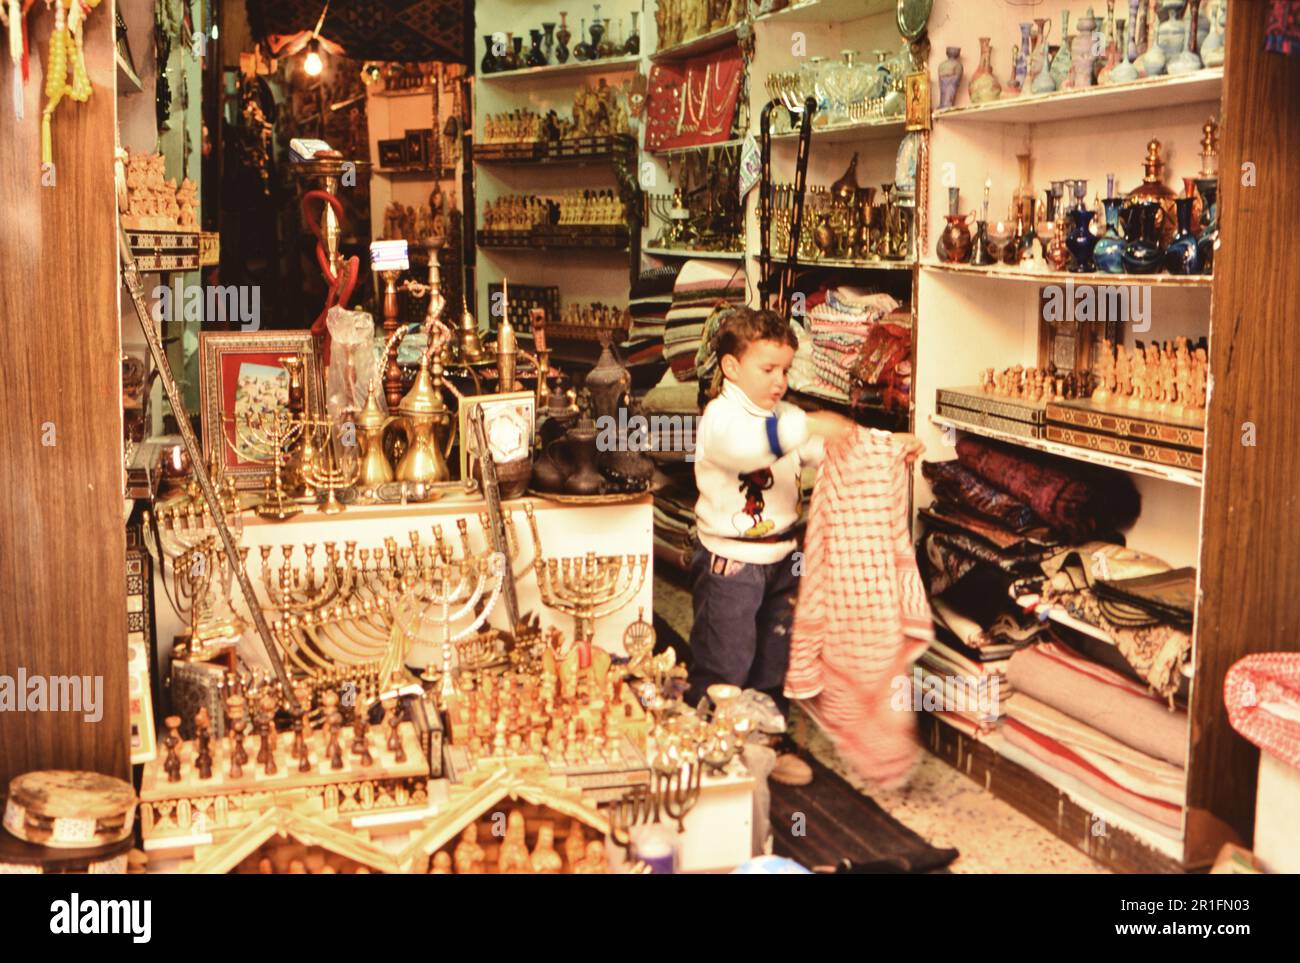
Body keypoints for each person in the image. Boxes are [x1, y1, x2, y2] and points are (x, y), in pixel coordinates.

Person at [687, 307, 920, 786]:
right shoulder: (720, 419)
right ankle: (711, 746)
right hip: (731, 563)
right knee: (727, 658)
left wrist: (887, 444)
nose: (780, 381)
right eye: (768, 369)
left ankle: (766, 744)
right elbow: (750, 449)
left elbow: (833, 448)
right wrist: (812, 425)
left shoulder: (788, 416)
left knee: (775, 656)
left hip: (782, 557)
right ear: (731, 367)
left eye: (786, 370)